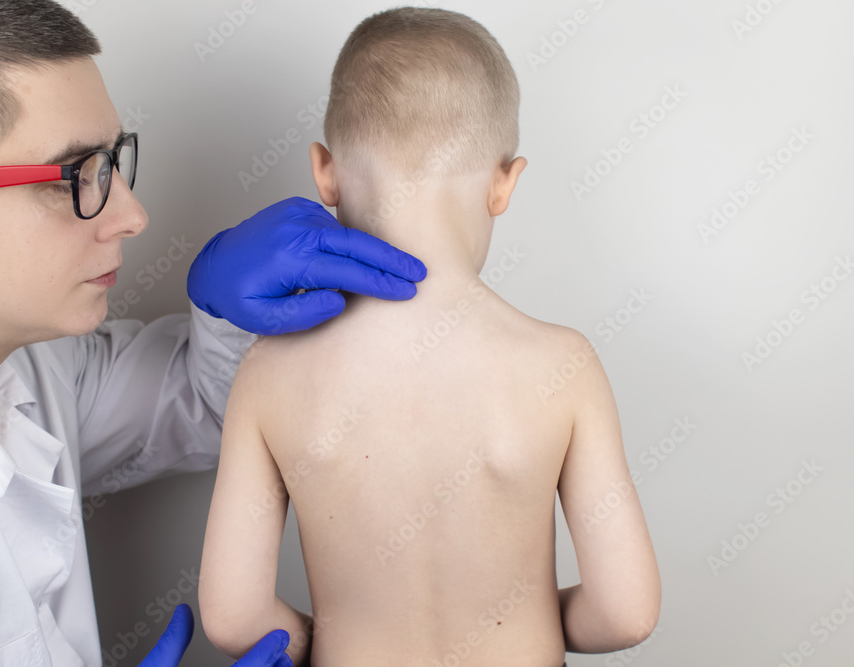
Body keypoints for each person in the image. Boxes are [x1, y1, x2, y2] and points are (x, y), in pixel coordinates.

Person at [0, 1, 426, 665]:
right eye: (76, 174)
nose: (132, 214)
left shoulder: (30, 366)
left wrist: (226, 314)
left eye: (114, 160)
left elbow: (200, 404)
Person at [198, 7, 662, 666]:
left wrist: (324, 642)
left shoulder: (268, 373)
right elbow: (627, 610)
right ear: (505, 182)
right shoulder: (563, 364)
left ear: (324, 171)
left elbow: (233, 616)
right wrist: (521, 623)